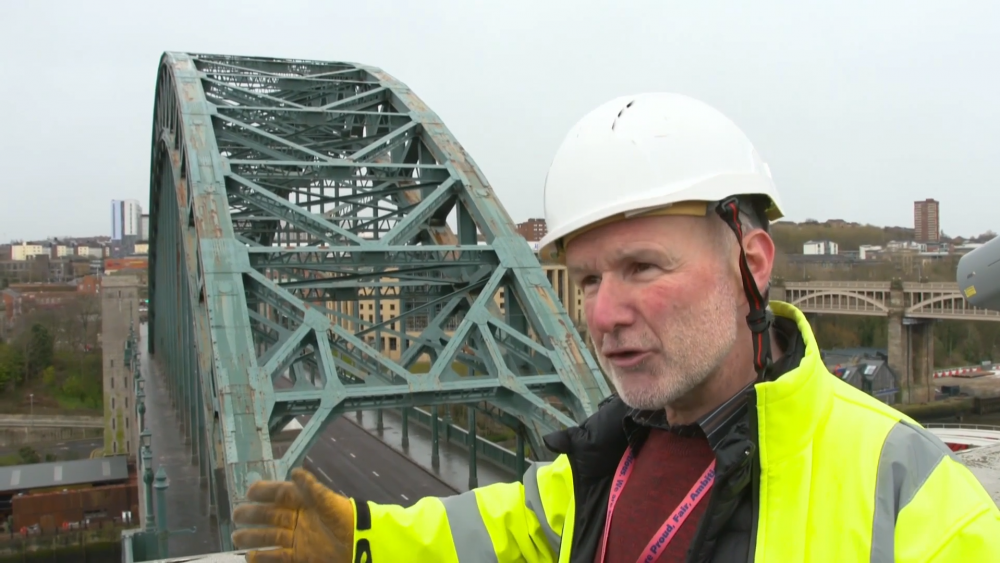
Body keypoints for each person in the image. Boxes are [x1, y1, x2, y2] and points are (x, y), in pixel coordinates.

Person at [230, 93, 1000, 562]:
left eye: (642, 267)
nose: (601, 314)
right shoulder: (598, 464)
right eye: (590, 278)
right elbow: (492, 534)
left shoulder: (909, 491)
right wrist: (362, 537)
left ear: (752, 264)